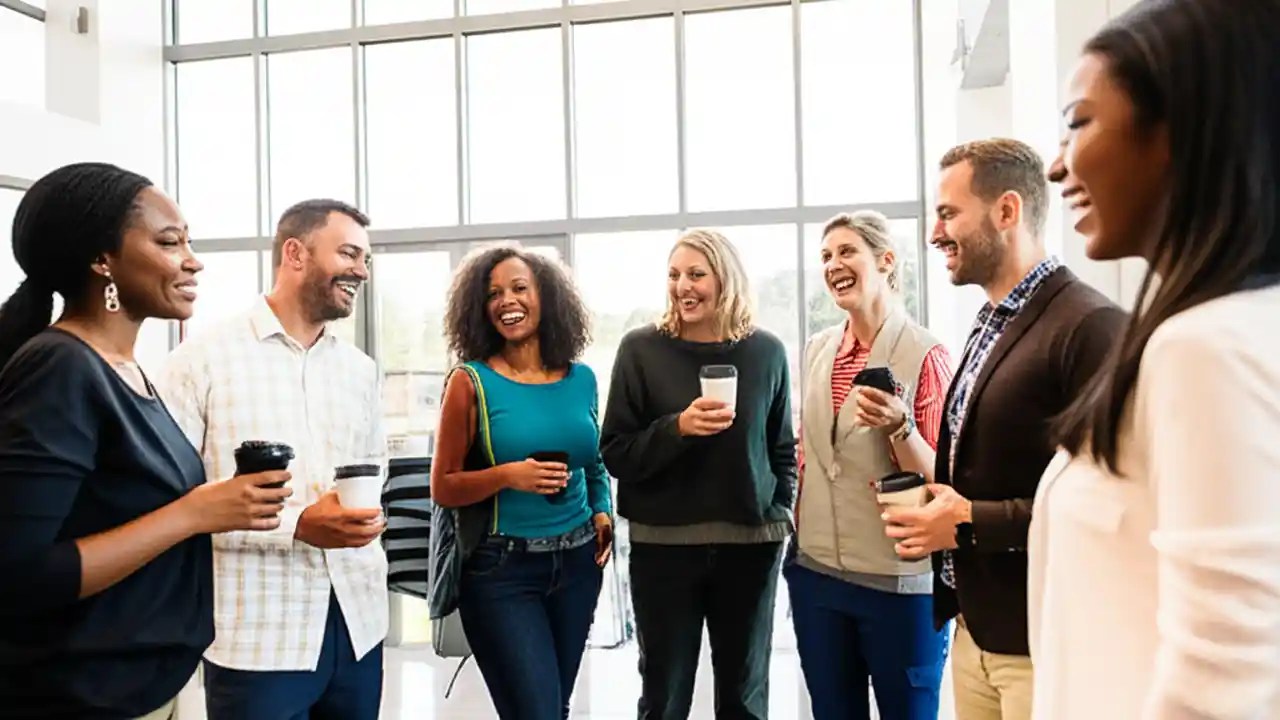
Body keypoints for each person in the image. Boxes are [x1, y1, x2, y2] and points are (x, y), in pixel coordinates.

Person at [1029, 1, 1280, 717]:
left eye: (1078, 122)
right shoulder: (1225, 327)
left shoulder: (1206, 349)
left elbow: (1227, 684)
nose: (1057, 164)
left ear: (1181, 131)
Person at [0, 162, 290, 719]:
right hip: (81, 695)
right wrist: (193, 513)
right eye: (168, 241)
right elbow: (20, 576)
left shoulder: (124, 368)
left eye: (189, 241)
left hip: (144, 689)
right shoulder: (61, 368)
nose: (192, 259)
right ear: (100, 259)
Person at [881, 138, 1126, 720]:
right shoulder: (989, 320)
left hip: (1041, 644)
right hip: (976, 633)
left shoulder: (1090, 327)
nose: (933, 234)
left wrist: (966, 522)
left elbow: (1112, 508)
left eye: (947, 213)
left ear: (1007, 211)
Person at [158, 199, 388, 720]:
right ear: (295, 253)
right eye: (350, 253)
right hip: (257, 638)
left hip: (359, 625)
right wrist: (299, 524)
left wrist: (367, 515)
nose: (361, 270)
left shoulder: (360, 370)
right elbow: (172, 503)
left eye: (366, 259)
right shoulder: (201, 360)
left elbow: (375, 470)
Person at [601, 229, 796, 720]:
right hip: (663, 547)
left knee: (745, 697)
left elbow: (780, 448)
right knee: (664, 696)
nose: (682, 286)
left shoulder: (766, 352)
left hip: (751, 545)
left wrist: (780, 512)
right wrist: (678, 428)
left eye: (695, 274)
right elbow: (616, 452)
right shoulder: (640, 351)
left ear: (725, 279)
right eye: (673, 275)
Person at [431, 242, 613, 720]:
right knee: (537, 711)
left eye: (518, 288)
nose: (506, 301)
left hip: (577, 565)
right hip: (501, 570)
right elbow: (444, 486)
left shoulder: (582, 379)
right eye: (493, 293)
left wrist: (601, 510)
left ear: (546, 297)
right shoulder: (469, 382)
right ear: (480, 308)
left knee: (555, 706)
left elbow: (593, 462)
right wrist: (510, 475)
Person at [788, 210, 954, 720]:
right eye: (825, 257)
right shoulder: (817, 351)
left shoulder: (927, 355)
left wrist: (900, 426)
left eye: (845, 252)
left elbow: (943, 479)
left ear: (885, 261)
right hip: (817, 578)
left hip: (898, 586)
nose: (832, 264)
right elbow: (810, 453)